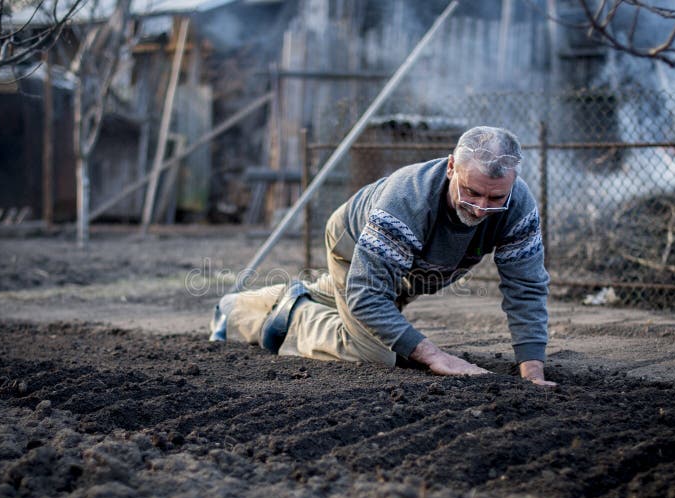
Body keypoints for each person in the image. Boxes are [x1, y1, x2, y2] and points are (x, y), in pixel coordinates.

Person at [210, 126, 555, 387]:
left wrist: (532, 370)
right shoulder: (408, 200)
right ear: (451, 167)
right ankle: (259, 316)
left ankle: (269, 298)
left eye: (495, 198)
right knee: (375, 352)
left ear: (512, 182)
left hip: (413, 265)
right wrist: (435, 356)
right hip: (353, 242)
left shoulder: (518, 207)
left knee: (370, 307)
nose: (480, 209)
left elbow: (526, 288)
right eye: (471, 192)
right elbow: (367, 295)